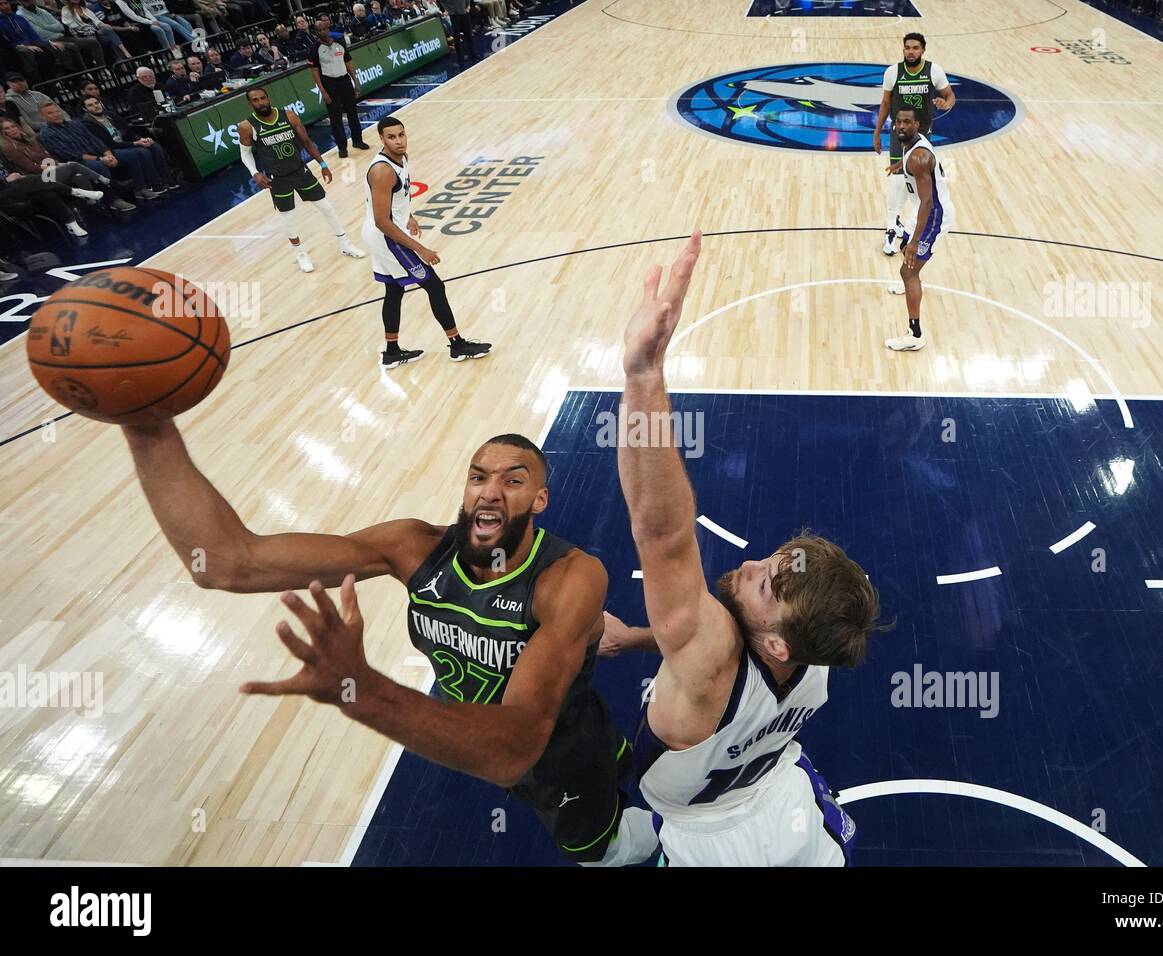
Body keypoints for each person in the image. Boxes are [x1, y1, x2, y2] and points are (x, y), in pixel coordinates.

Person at [117, 422, 655, 868]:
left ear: (539, 500)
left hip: (554, 747)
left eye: (513, 481)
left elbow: (514, 749)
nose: (490, 490)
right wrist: (144, 425)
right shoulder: (412, 546)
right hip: (479, 728)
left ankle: (657, 845)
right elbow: (227, 562)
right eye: (478, 476)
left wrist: (363, 691)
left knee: (603, 848)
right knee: (602, 756)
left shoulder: (569, 577)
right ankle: (625, 767)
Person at [612, 232, 880, 865]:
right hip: (784, 799)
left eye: (764, 584)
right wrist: (635, 638)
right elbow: (742, 645)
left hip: (711, 843)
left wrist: (644, 374)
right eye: (776, 559)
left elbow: (663, 533)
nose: (752, 563)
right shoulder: (820, 654)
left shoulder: (706, 664)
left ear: (776, 643)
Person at [364, 115, 490, 367]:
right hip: (387, 237)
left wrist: (408, 216)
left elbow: (395, 199)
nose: (399, 141)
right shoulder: (382, 171)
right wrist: (420, 248)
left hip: (387, 232)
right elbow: (382, 220)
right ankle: (457, 345)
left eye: (401, 135)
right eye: (391, 137)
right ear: (381, 139)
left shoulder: (400, 159)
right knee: (434, 285)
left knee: (394, 289)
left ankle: (391, 351)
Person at [238, 87, 363, 273]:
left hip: (300, 171)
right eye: (255, 100)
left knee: (326, 207)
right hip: (277, 178)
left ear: (268, 98)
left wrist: (322, 164)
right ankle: (301, 254)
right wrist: (255, 173)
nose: (261, 102)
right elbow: (245, 154)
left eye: (263, 98)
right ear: (250, 103)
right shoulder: (247, 126)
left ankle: (345, 243)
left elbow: (306, 142)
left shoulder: (288, 116)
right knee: (288, 217)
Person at [872, 32, 954, 256]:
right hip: (900, 134)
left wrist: (945, 103)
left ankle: (904, 223)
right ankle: (891, 226)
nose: (911, 51)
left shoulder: (933, 71)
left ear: (923, 50)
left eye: (915, 48)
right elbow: (886, 103)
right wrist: (877, 131)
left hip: (923, 135)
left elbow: (950, 95)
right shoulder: (893, 72)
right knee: (898, 179)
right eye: (907, 47)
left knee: (916, 182)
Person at [883, 105, 954, 352]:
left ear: (917, 125)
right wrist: (900, 167)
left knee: (909, 270)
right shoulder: (913, 147)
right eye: (898, 122)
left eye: (907, 122)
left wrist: (915, 241)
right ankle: (909, 282)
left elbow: (927, 201)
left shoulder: (918, 158)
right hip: (923, 210)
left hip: (934, 215)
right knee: (904, 248)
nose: (901, 126)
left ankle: (915, 334)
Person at [37, 100, 167, 199]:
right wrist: (101, 159)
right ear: (43, 117)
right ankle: (113, 199)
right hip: (79, 162)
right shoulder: (46, 134)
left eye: (57, 111)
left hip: (101, 154)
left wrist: (108, 154)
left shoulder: (75, 124)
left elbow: (95, 140)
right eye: (50, 113)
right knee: (98, 165)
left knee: (136, 153)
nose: (56, 114)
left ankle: (141, 188)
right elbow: (71, 155)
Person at [0, 114, 136, 208]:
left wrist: (56, 164)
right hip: (39, 178)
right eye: (7, 129)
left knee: (79, 175)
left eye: (13, 126)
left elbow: (48, 155)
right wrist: (54, 166)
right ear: (3, 133)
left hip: (52, 168)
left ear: (18, 126)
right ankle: (110, 184)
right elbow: (30, 166)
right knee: (74, 166)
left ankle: (93, 204)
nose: (11, 130)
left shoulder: (31, 140)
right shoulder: (9, 148)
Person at [82, 93, 177, 190]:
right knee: (142, 151)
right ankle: (155, 184)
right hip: (112, 150)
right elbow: (109, 145)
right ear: (85, 109)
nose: (95, 106)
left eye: (96, 103)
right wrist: (135, 143)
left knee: (154, 145)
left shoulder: (112, 115)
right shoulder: (88, 124)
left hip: (126, 143)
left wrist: (141, 139)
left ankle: (168, 179)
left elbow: (129, 133)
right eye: (90, 105)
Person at [307, 17, 368, 158]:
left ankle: (357, 140)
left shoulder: (340, 43)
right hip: (329, 84)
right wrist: (323, 91)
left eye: (325, 28)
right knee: (336, 118)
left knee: (353, 113)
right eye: (320, 30)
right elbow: (315, 72)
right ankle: (342, 147)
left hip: (345, 81)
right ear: (316, 32)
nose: (323, 31)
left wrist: (355, 81)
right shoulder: (314, 49)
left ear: (328, 29)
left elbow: (348, 63)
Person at [0, 156, 102, 234]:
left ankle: (71, 223)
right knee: (35, 179)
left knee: (46, 193)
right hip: (4, 195)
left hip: (15, 187)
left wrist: (16, 176)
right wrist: (6, 180)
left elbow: (10, 171)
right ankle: (77, 192)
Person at [16, 0, 103, 71]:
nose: (30, 2)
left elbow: (60, 26)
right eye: (26, 1)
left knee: (93, 41)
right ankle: (84, 73)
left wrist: (45, 26)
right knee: (70, 46)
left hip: (62, 37)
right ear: (20, 2)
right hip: (48, 42)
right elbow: (39, 33)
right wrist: (52, 29)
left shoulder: (41, 11)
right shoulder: (20, 15)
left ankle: (101, 69)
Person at [63, 0, 132, 62]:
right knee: (102, 39)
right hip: (82, 34)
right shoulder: (66, 10)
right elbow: (71, 25)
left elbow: (97, 21)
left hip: (95, 31)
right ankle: (108, 65)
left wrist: (104, 25)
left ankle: (125, 53)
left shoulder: (84, 9)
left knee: (108, 30)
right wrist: (88, 28)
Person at [0, 4, 56, 80]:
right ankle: (38, 81)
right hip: (15, 48)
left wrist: (48, 43)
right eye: (0, 4)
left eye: (5, 3)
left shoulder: (19, 18)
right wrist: (25, 46)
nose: (5, 6)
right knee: (38, 55)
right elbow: (6, 43)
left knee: (54, 47)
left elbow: (33, 34)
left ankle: (60, 79)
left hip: (31, 43)